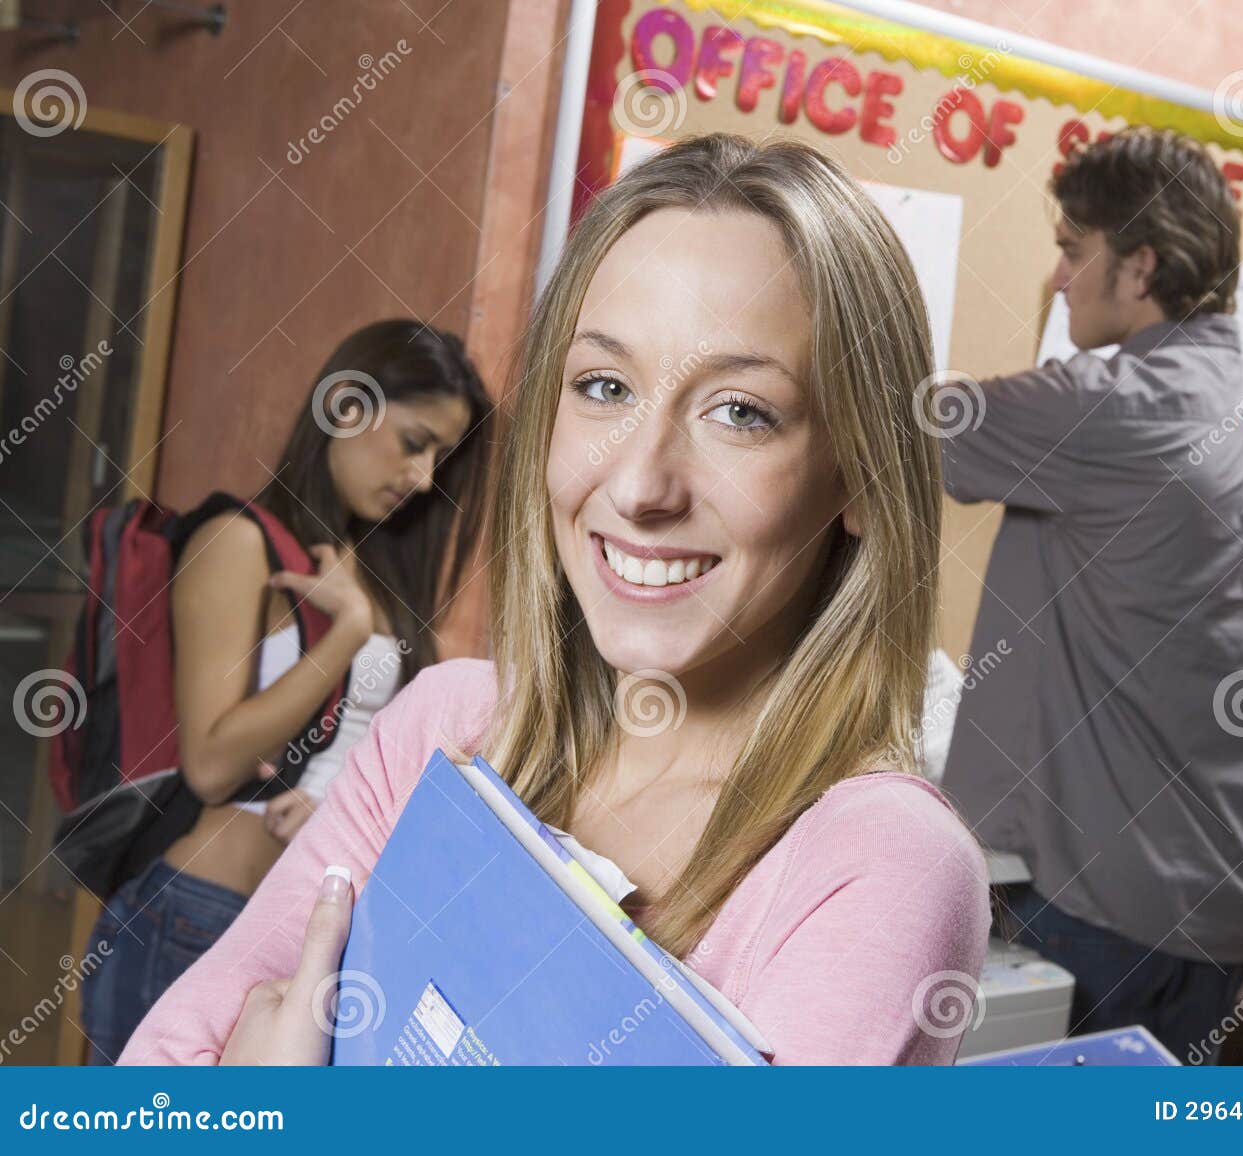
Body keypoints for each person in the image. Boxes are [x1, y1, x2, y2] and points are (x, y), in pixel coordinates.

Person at [118, 133, 990, 1067]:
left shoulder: (878, 865)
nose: (640, 485)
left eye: (740, 410)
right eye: (604, 387)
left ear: (861, 473)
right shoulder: (446, 726)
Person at [937, 126, 1243, 1063]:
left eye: (1072, 250)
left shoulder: (1113, 406)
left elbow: (905, 421)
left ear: (1141, 266)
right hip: (1224, 924)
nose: (1057, 280)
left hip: (1085, 912)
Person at [82, 320, 495, 1063]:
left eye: (441, 456)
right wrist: (345, 634)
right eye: (414, 442)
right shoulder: (238, 542)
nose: (424, 476)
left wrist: (334, 811)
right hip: (197, 918)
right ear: (348, 407)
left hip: (314, 947)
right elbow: (212, 765)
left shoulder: (372, 572)